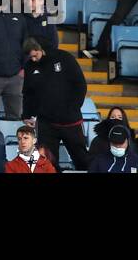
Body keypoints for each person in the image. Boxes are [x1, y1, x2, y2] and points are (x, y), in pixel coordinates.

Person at [22, 37, 89, 171]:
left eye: (35, 55)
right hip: (46, 123)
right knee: (47, 162)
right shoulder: (30, 66)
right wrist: (27, 114)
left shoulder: (64, 58)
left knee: (81, 158)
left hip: (70, 121)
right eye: (31, 57)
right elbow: (28, 93)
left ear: (40, 49)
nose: (34, 59)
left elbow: (80, 84)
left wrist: (74, 107)